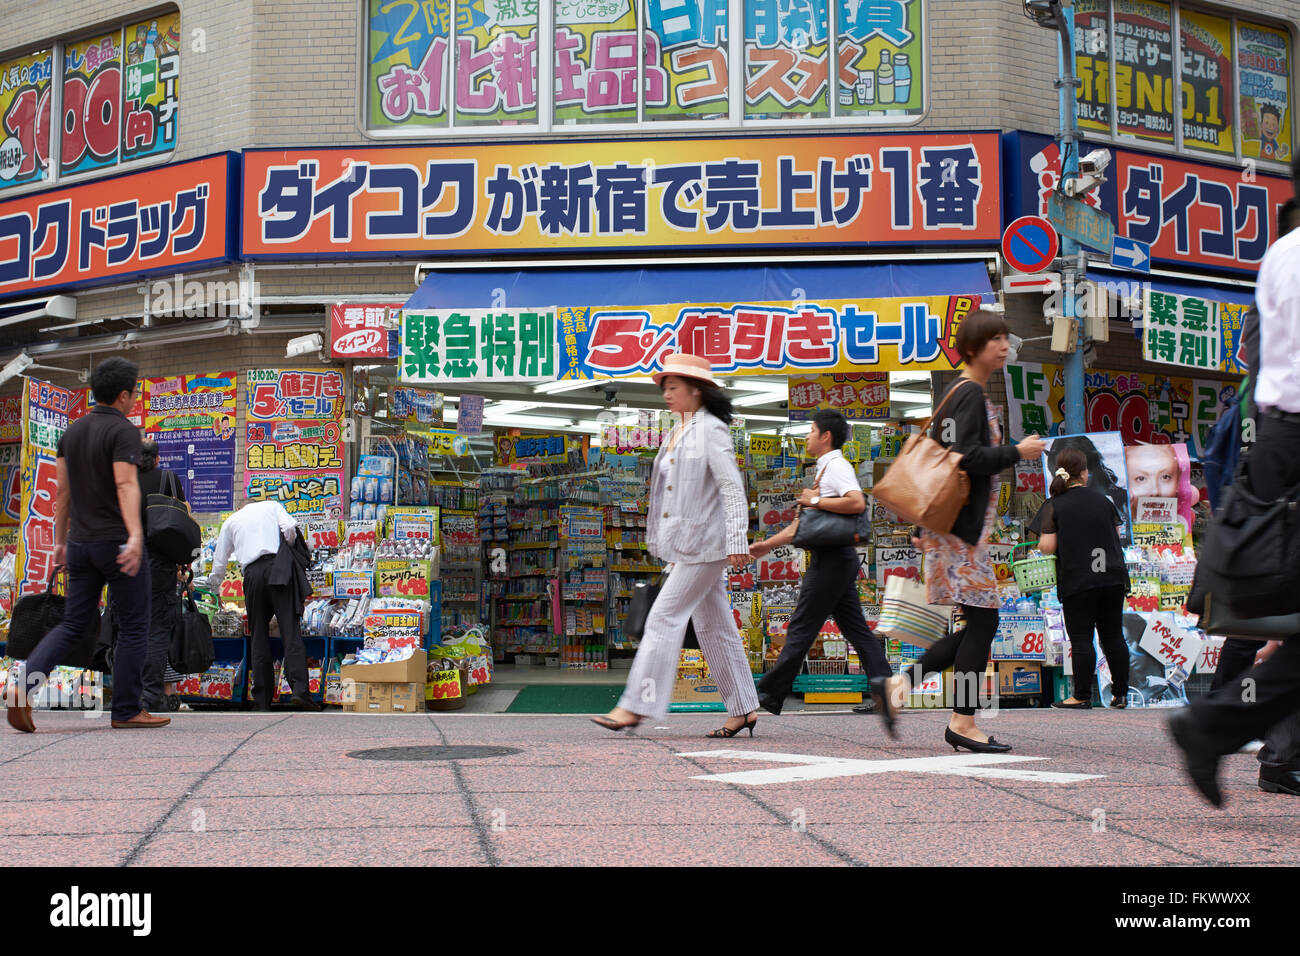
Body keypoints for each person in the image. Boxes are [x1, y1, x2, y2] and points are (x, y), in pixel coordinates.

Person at [1169, 167, 1300, 807]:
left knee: (1284, 626)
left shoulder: (1278, 255)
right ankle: (1217, 728)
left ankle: (1215, 727)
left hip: (1278, 439)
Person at [879, 309, 1046, 753]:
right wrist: (1017, 451)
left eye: (1006, 338)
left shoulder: (961, 391)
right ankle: (963, 721)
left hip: (951, 531)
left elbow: (943, 460)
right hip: (959, 534)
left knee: (977, 622)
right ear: (974, 346)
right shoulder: (970, 393)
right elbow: (966, 457)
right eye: (996, 339)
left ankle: (900, 686)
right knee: (984, 620)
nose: (1005, 346)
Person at [593, 353, 758, 737]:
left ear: (695, 390)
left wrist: (737, 539)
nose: (666, 394)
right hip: (688, 544)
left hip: (705, 544)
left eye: (673, 387)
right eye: (664, 387)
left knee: (663, 618)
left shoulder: (710, 431)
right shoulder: (678, 431)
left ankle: (635, 706)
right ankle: (745, 707)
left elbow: (732, 488)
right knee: (716, 628)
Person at [6, 358, 168, 732]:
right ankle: (127, 709)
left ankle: (23, 686)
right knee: (133, 626)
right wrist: (135, 536)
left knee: (75, 624)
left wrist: (60, 542)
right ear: (124, 394)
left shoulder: (72, 432)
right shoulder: (123, 431)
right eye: (134, 391)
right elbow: (126, 484)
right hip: (115, 543)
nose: (134, 397)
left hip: (79, 544)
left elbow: (62, 493)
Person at [749, 409, 896, 733]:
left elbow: (856, 503)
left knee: (802, 625)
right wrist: (767, 545)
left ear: (825, 436)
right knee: (856, 628)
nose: (807, 436)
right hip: (835, 558)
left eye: (811, 430)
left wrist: (815, 499)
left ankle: (770, 693)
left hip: (831, 559)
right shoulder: (825, 469)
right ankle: (885, 689)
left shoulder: (837, 466)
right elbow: (807, 524)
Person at [1035, 447, 1130, 709]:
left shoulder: (1054, 504)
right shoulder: (1105, 502)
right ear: (1085, 473)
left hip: (1079, 580)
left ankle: (1081, 696)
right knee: (1113, 636)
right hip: (1112, 577)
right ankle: (1120, 694)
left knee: (1081, 639)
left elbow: (1047, 546)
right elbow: (1115, 533)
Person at [205, 500, 319, 711]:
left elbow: (219, 561)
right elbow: (289, 529)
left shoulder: (231, 521)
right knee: (290, 631)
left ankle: (262, 698)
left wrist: (214, 587)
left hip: (252, 574)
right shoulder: (271, 506)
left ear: (238, 507)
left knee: (258, 634)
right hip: (279, 568)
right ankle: (300, 692)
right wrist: (290, 549)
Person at [137, 439, 191, 713]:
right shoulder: (168, 479)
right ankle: (151, 695)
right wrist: (183, 565)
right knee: (158, 631)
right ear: (157, 459)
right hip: (161, 564)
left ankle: (128, 694)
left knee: (129, 630)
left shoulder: (126, 481)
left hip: (127, 561)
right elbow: (181, 524)